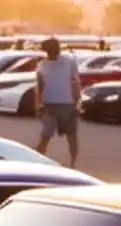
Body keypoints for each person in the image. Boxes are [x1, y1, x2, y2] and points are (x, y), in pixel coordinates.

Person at [34, 38, 81, 169]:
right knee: (46, 135)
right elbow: (39, 86)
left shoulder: (69, 62)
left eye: (51, 51)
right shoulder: (42, 64)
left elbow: (75, 82)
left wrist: (77, 101)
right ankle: (37, 163)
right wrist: (38, 104)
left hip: (66, 104)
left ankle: (72, 165)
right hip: (49, 105)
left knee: (71, 136)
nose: (49, 54)